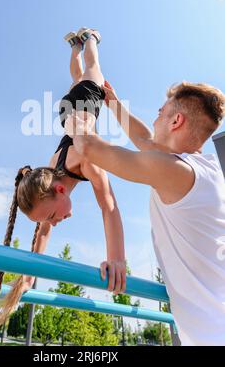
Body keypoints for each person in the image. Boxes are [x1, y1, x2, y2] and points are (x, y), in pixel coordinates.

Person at [0, 28, 126, 346]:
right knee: (76, 77)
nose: (56, 221)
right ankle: (74, 47)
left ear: (61, 191)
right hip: (66, 115)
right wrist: (27, 275)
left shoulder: (86, 159)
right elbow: (42, 231)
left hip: (85, 104)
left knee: (94, 71)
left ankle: (90, 40)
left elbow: (109, 205)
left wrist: (117, 259)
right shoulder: (48, 179)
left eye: (52, 215)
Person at [65, 80, 225, 346]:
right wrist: (113, 102)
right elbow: (143, 139)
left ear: (176, 121)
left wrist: (75, 109)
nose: (155, 119)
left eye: (160, 113)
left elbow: (89, 147)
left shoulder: (177, 171)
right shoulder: (205, 168)